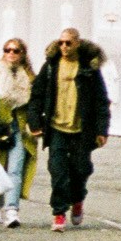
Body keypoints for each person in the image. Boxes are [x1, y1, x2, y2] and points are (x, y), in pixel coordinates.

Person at [31, 30, 110, 230]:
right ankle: (58, 213)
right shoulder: (51, 66)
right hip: (56, 127)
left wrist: (102, 130)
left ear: (77, 44)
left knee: (80, 170)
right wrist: (34, 122)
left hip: (82, 130)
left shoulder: (89, 68)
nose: (64, 47)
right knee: (57, 171)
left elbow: (101, 101)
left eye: (68, 43)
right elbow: (37, 94)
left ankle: (77, 200)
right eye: (61, 43)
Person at [0, 38, 40, 228]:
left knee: (15, 169)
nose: (11, 53)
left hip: (19, 127)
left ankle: (12, 210)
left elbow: (35, 104)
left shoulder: (29, 77)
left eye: (15, 50)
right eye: (7, 50)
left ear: (22, 54)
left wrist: (34, 125)